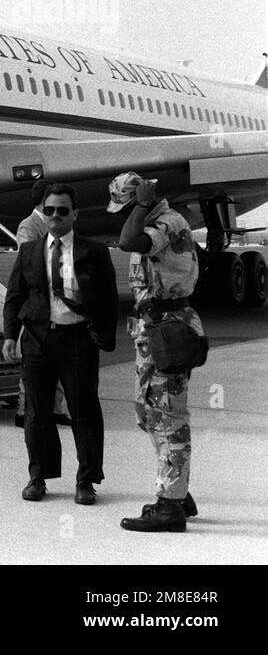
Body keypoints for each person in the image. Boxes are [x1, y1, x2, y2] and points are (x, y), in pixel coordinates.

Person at [2, 183, 117, 505]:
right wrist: (10, 335)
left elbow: (108, 299)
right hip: (38, 341)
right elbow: (15, 295)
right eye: (49, 210)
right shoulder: (29, 251)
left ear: (74, 214)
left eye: (62, 210)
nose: (55, 216)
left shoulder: (94, 251)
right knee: (37, 413)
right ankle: (39, 477)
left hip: (77, 340)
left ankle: (87, 481)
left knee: (85, 411)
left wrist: (102, 337)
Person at [109, 172, 203, 533]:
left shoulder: (164, 222)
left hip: (169, 330)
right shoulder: (154, 223)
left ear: (140, 200)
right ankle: (177, 489)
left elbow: (127, 240)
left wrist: (144, 204)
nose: (121, 214)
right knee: (149, 414)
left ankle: (170, 507)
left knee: (169, 418)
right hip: (153, 331)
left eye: (127, 205)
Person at [13, 180, 71, 428]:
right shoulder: (29, 226)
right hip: (37, 303)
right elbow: (28, 259)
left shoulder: (47, 222)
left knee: (56, 357)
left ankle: (56, 407)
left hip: (56, 303)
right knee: (33, 361)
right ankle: (24, 410)